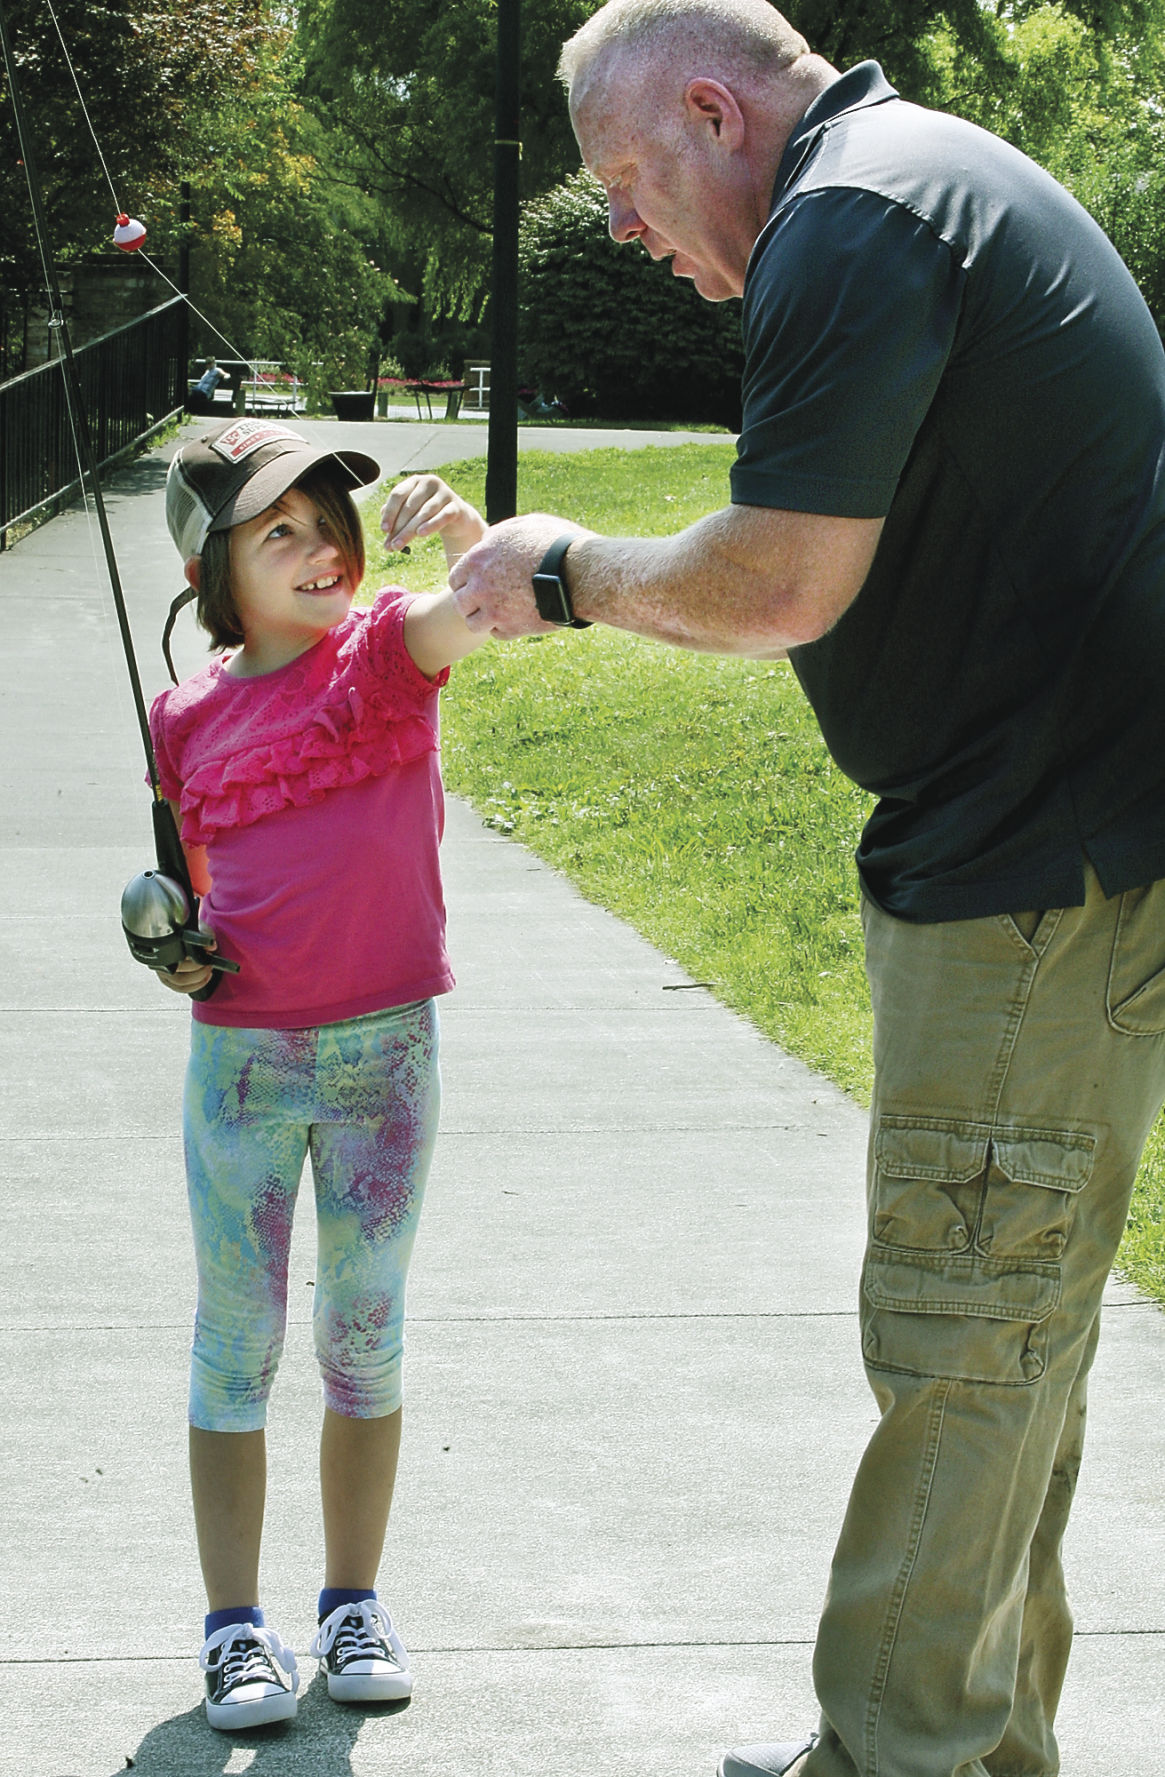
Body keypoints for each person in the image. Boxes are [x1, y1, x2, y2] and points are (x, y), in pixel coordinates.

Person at [445, 3, 1165, 1775]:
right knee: (1011, 1344)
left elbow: (773, 578)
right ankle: (976, 1748)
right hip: (1073, 844)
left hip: (1026, 866)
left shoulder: (852, 212)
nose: (618, 224)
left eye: (624, 177)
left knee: (962, 1330)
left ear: (711, 105)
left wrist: (561, 571)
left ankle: (890, 1755)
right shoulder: (924, 179)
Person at [151, 417, 488, 1730]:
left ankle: (350, 1602)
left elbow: (475, 610)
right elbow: (202, 886)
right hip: (237, 1062)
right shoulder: (182, 717)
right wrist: (177, 950)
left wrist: (470, 542)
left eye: (324, 524)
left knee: (363, 1328)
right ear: (209, 575)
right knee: (235, 1340)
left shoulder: (385, 656)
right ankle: (234, 1626)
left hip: (383, 1056)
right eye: (274, 531)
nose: (315, 548)